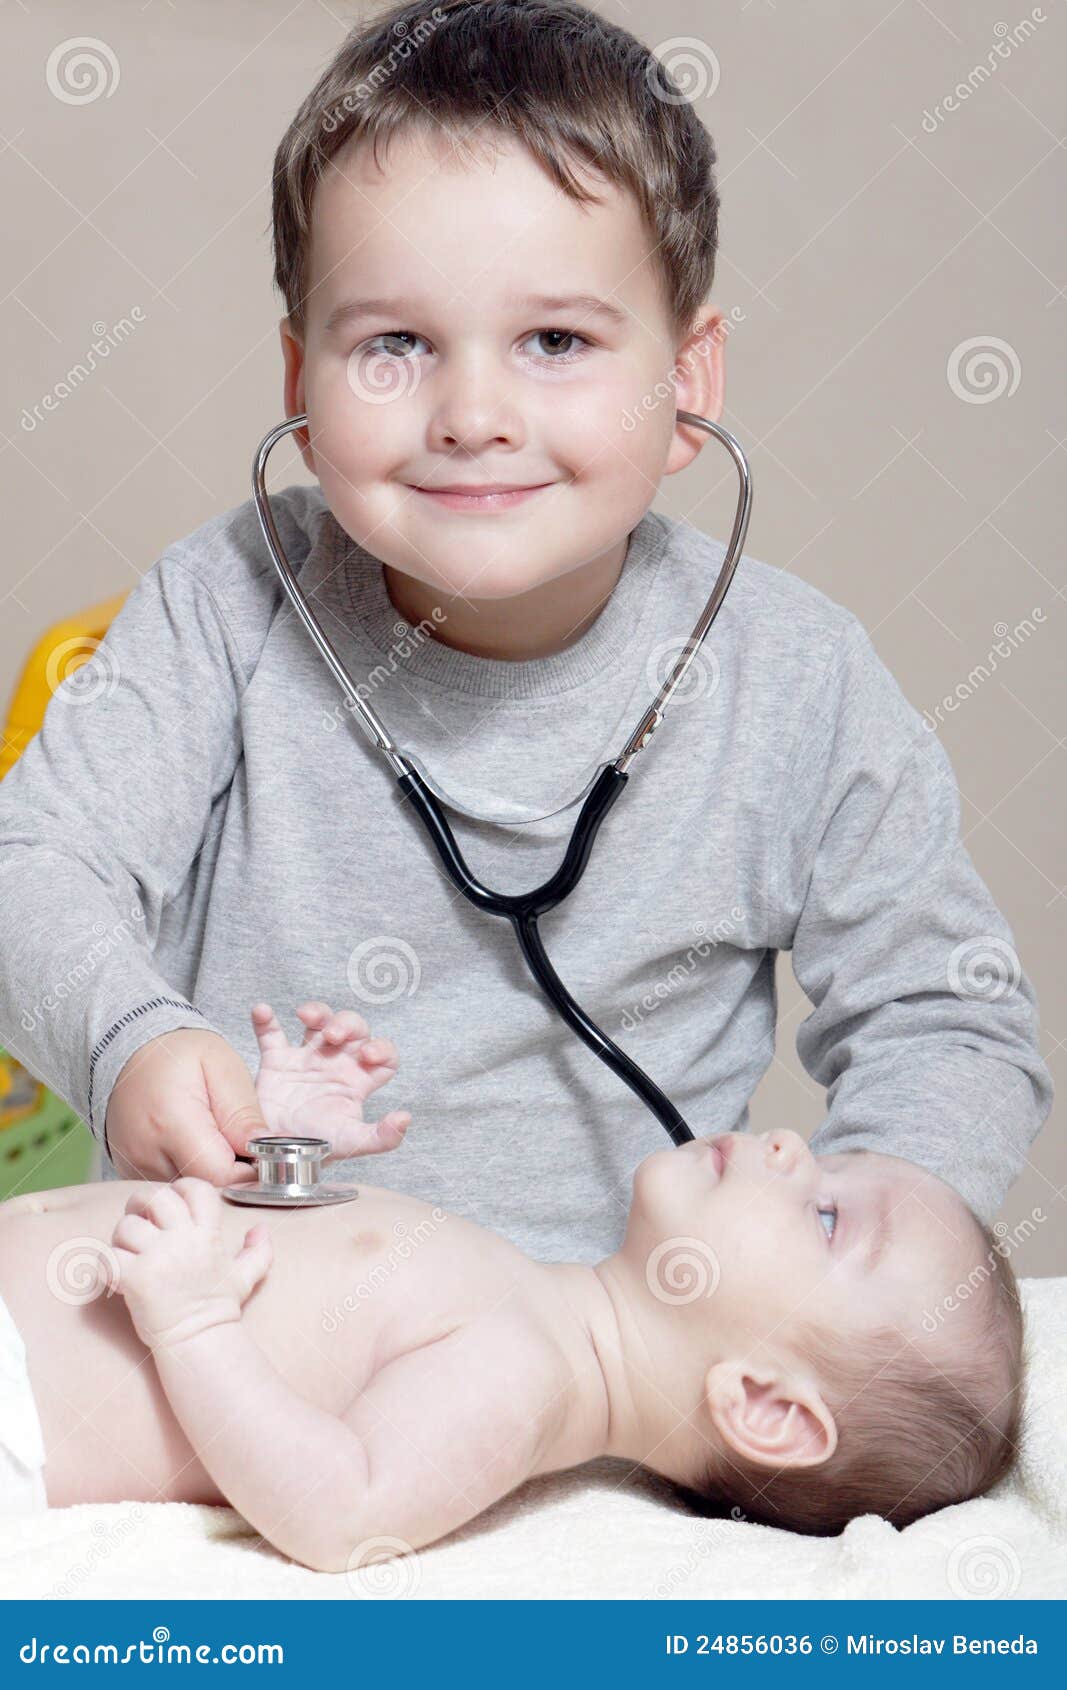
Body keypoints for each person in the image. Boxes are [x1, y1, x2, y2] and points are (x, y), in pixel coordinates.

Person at [0, 0, 1051, 1267]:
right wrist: (130, 1041)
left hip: (608, 1368)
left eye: (555, 340)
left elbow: (948, 1021)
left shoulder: (795, 681)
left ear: (686, 386)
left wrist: (846, 1256)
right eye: (394, 344)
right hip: (237, 1321)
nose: (472, 412)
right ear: (298, 384)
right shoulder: (227, 601)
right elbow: (35, 864)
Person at [0, 1003, 1023, 1570]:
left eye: (828, 1214)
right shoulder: (531, 1293)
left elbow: (341, 1510)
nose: (794, 1144)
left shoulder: (523, 1377)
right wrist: (284, 1153)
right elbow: (315, 1308)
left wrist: (193, 1318)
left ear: (760, 1403)